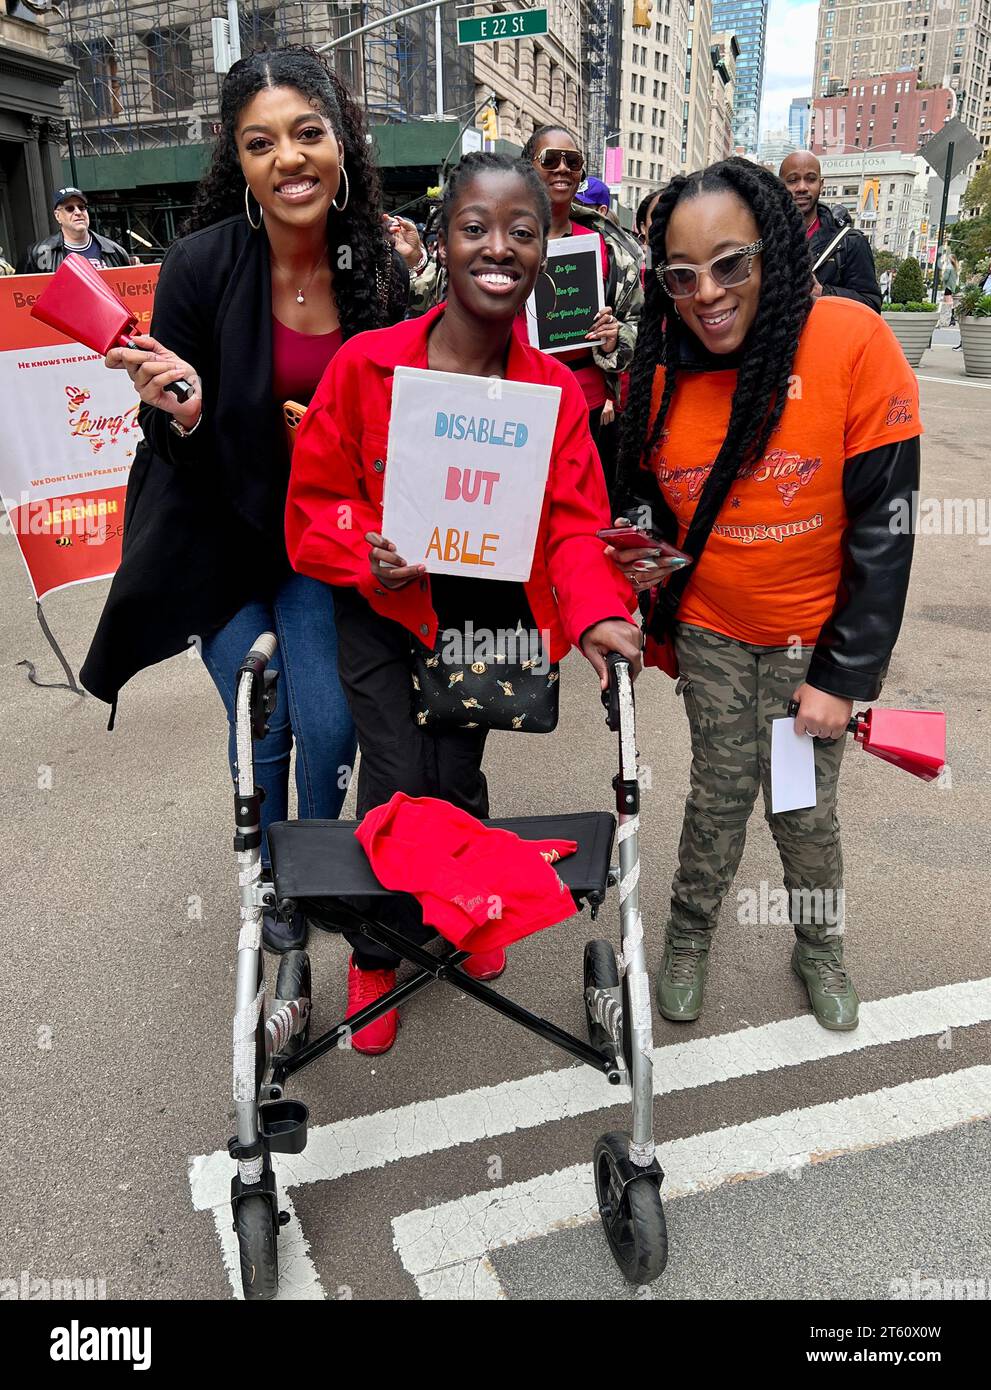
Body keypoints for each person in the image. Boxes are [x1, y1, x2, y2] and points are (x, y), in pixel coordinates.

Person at [285, 151, 641, 1053]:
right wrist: (367, 550)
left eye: (521, 232)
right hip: (381, 607)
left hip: (486, 615)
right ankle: (376, 950)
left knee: (455, 776)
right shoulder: (367, 366)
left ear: (546, 248)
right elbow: (312, 502)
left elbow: (572, 524)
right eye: (475, 228)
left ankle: (461, 918)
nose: (497, 248)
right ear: (442, 242)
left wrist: (597, 608)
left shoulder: (552, 391)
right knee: (396, 782)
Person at [81, 47, 419, 953]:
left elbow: (405, 424)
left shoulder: (379, 270)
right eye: (260, 142)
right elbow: (171, 437)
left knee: (331, 716)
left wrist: (339, 446)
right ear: (241, 162)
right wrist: (182, 410)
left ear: (341, 141)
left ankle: (314, 859)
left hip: (317, 541)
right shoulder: (198, 265)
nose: (290, 158)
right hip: (215, 536)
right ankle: (269, 872)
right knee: (257, 697)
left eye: (308, 132)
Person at [611, 156, 921, 1033]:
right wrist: (637, 551)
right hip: (712, 631)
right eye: (682, 274)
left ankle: (816, 947)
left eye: (729, 264)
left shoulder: (850, 342)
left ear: (772, 254)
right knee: (717, 791)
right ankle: (688, 937)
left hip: (804, 648)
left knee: (796, 806)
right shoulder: (661, 365)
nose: (705, 292)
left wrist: (841, 677)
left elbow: (884, 533)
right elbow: (636, 492)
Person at [520, 125, 643, 501]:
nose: (562, 169)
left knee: (584, 508)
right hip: (516, 403)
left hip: (587, 406)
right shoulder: (502, 237)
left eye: (572, 161)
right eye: (550, 159)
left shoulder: (608, 246)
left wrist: (614, 337)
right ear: (528, 168)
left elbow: (638, 326)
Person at [778, 152, 881, 312]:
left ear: (821, 184)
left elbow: (871, 305)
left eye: (811, 179)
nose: (802, 187)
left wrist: (823, 292)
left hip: (828, 335)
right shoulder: (765, 238)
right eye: (793, 180)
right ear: (779, 186)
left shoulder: (850, 242)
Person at [18, 188, 131, 273]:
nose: (78, 212)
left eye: (81, 207)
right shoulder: (40, 253)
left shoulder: (114, 251)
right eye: (70, 208)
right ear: (57, 216)